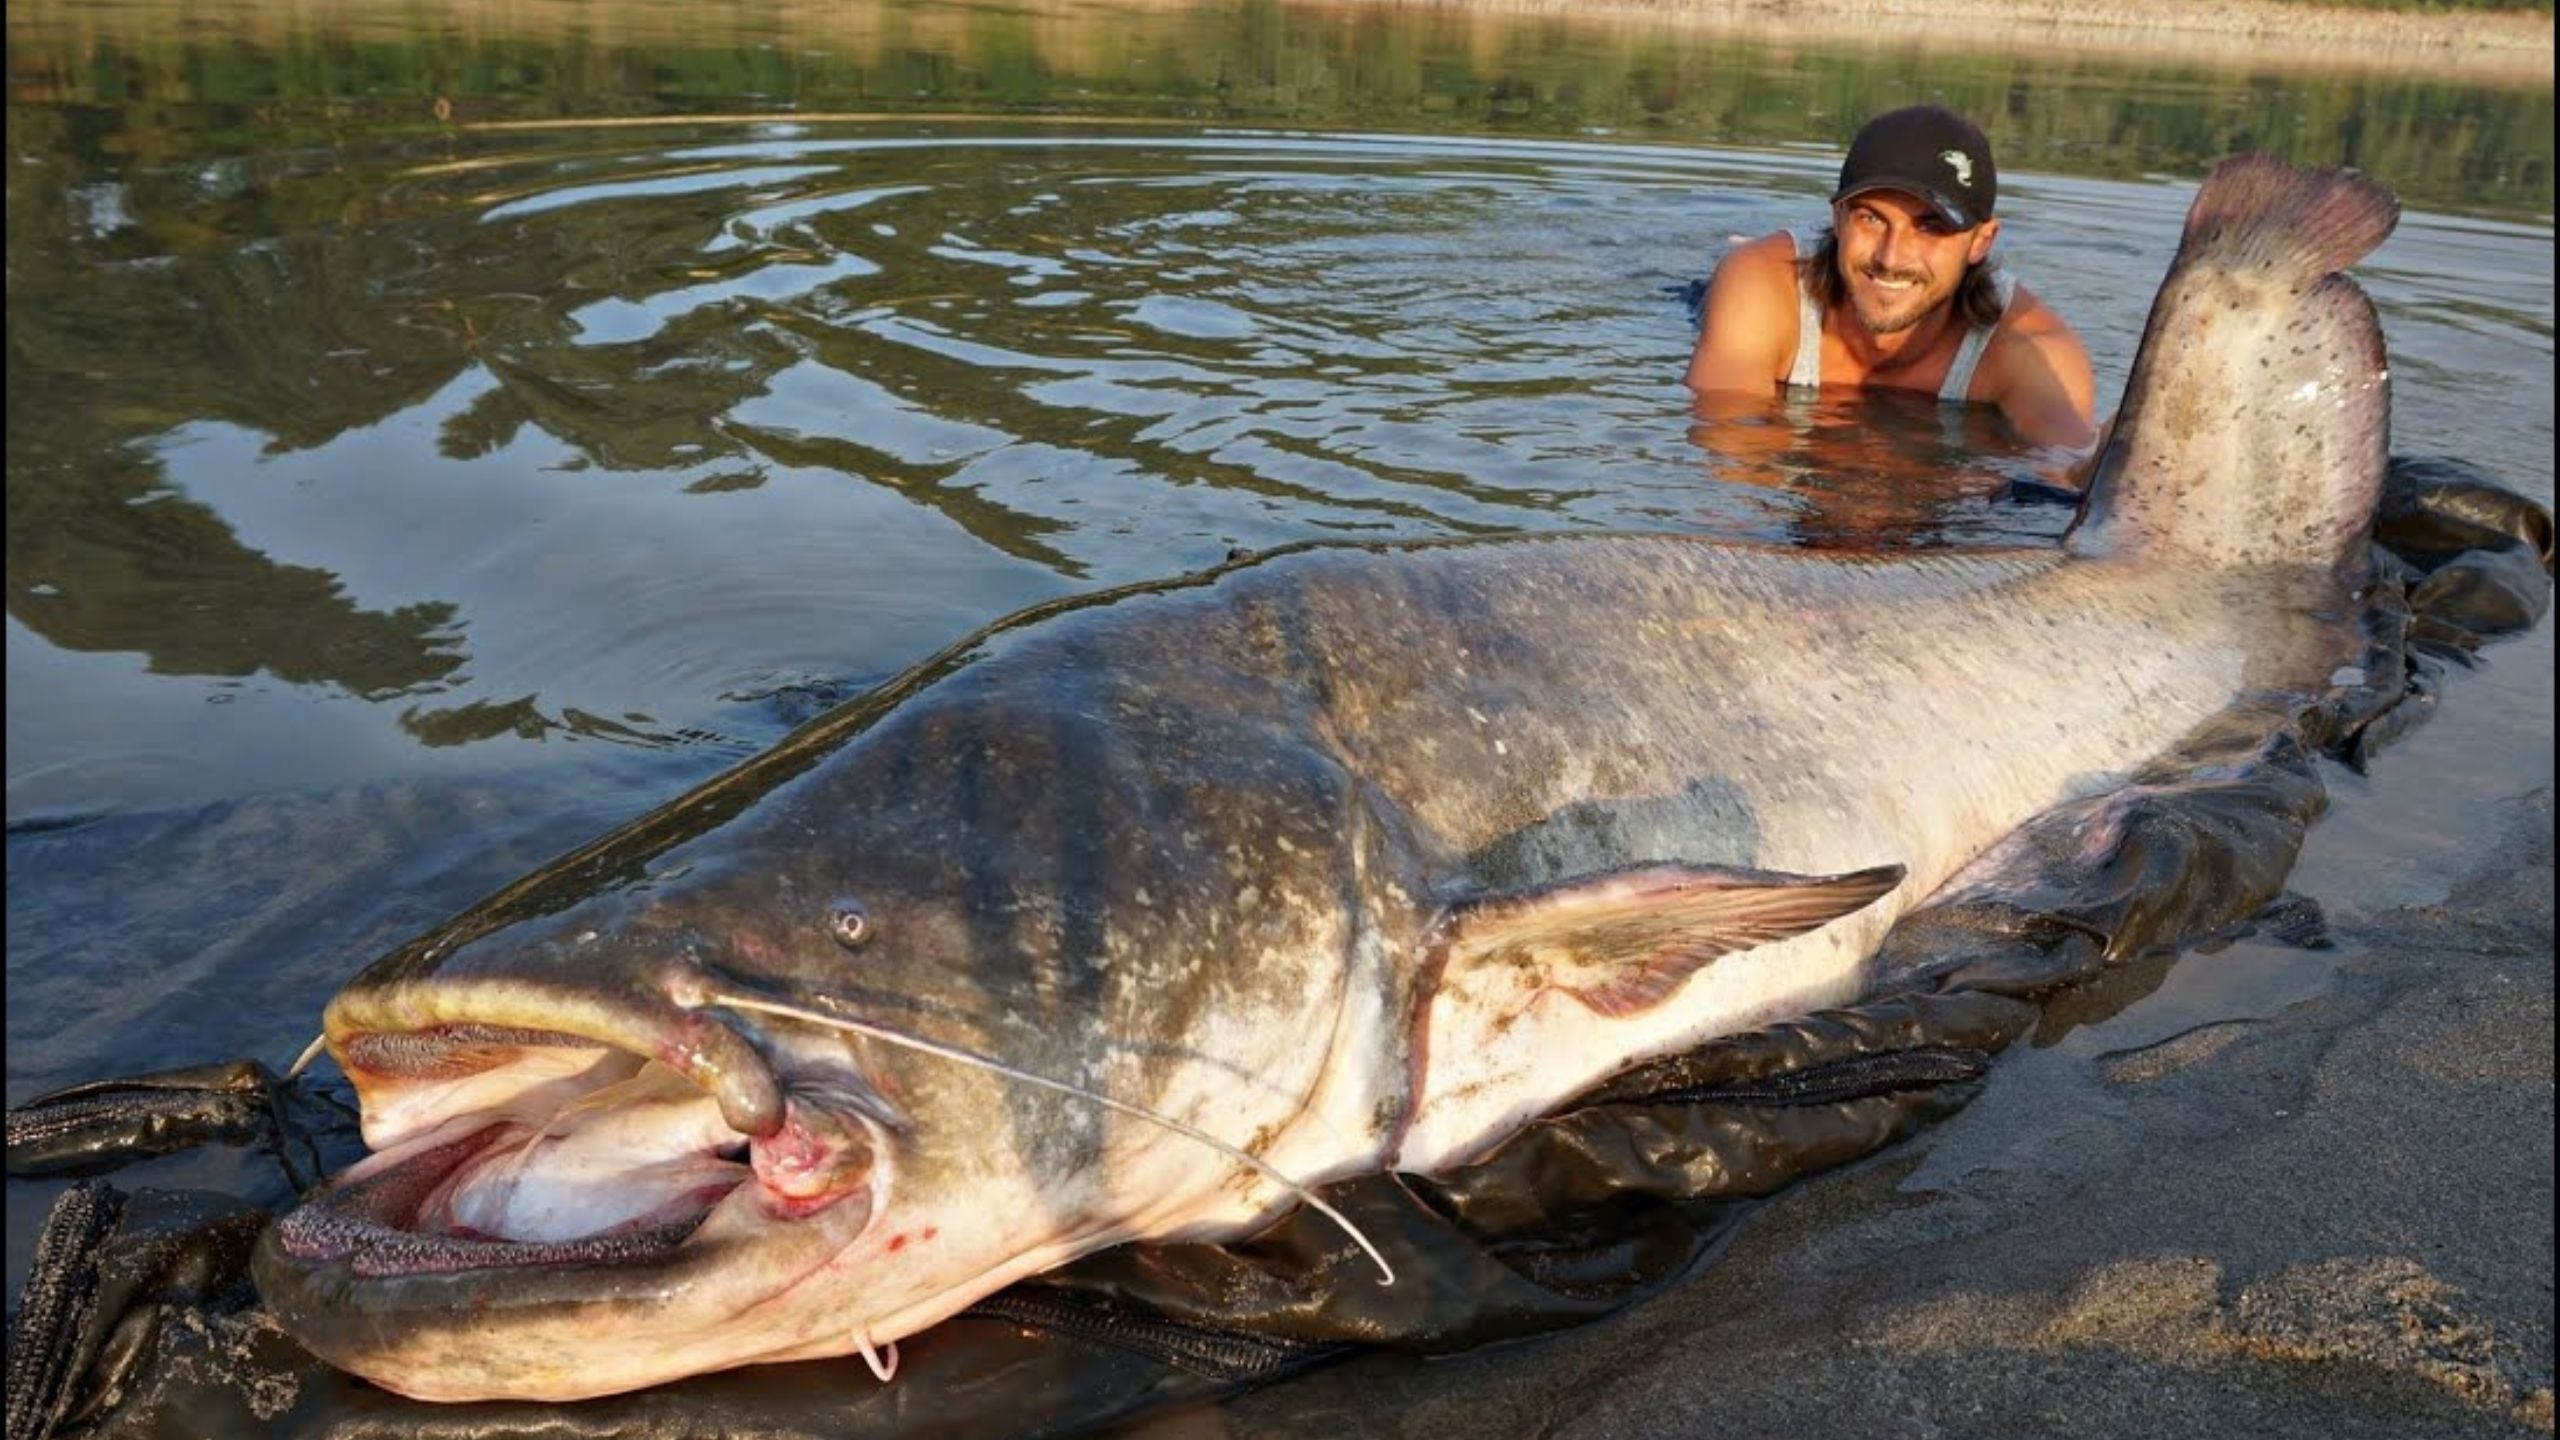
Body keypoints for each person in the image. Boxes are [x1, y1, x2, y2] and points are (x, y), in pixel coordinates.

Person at [1685, 105, 2098, 450]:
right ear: (1838, 218)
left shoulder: (2031, 351)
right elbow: (1730, 455)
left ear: (1980, 241)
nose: (1891, 257)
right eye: (1870, 218)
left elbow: (2064, 472)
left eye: (1931, 226)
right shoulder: (1761, 288)